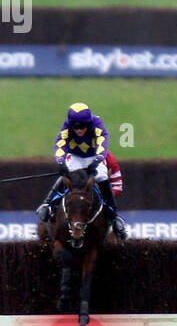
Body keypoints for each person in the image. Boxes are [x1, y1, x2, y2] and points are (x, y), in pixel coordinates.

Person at [37, 102, 126, 238]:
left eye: (82, 126)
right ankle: (48, 204)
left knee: (102, 177)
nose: (78, 130)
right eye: (75, 126)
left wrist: (97, 160)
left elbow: (103, 141)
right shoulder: (66, 126)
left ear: (88, 123)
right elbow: (60, 143)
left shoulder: (97, 123)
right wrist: (61, 162)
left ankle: (114, 216)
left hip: (93, 156)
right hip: (75, 157)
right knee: (70, 177)